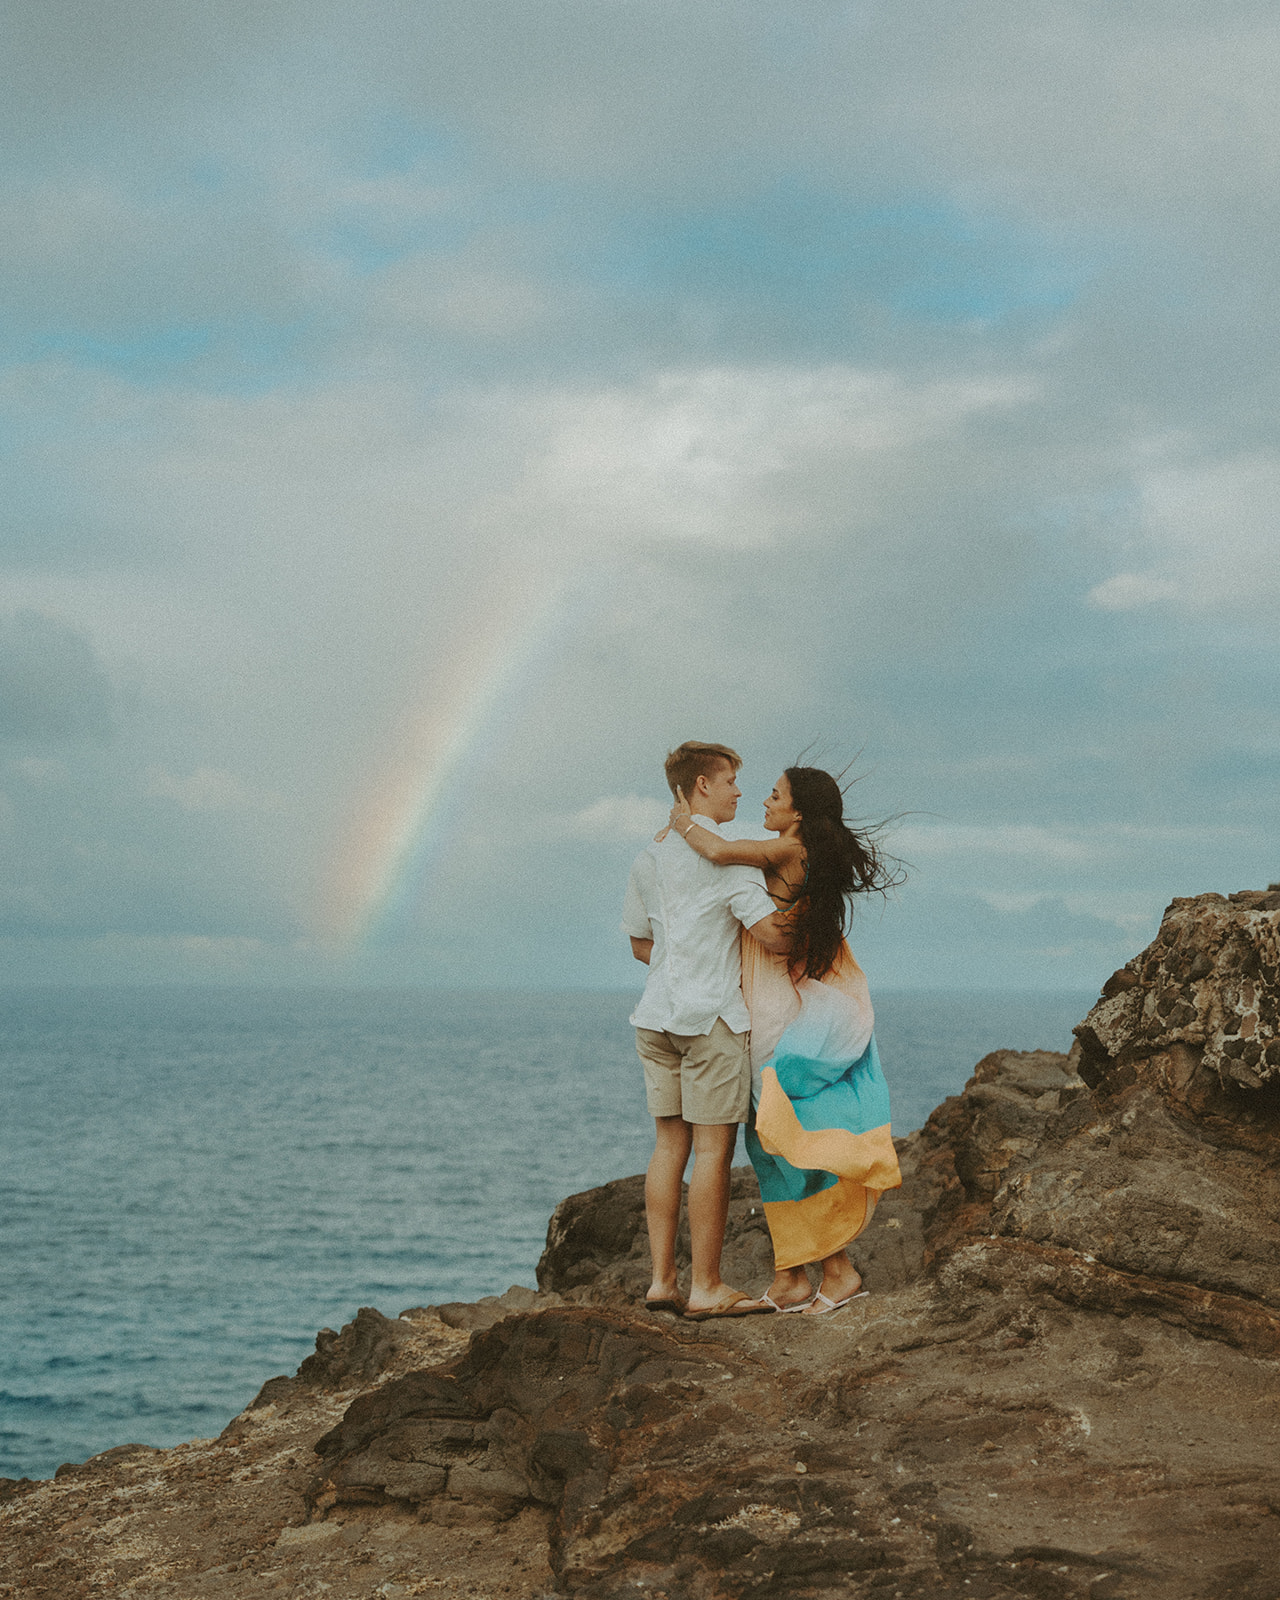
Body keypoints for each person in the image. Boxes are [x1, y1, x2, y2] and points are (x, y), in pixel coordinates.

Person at [666, 765, 902, 1314]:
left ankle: (838, 1271)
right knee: (766, 1139)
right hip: (766, 996)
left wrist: (682, 822)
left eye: (775, 795)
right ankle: (792, 1274)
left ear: (797, 813)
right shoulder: (790, 851)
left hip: (775, 1005)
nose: (764, 802)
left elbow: (721, 853)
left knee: (785, 1136)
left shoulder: (789, 851)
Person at [622, 741, 793, 1320]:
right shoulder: (731, 860)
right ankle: (707, 1288)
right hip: (711, 1020)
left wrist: (682, 961)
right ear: (700, 786)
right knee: (713, 1153)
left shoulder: (649, 855)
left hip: (655, 1017)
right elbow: (770, 936)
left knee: (669, 1146)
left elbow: (640, 944)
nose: (740, 793)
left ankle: (661, 1281)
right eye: (730, 782)